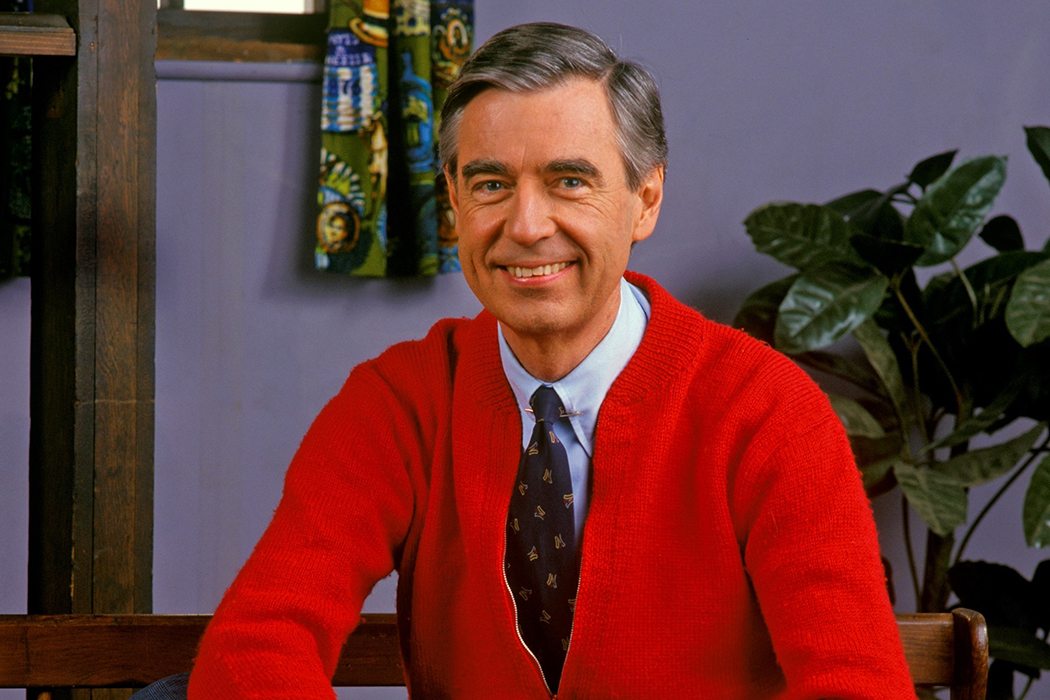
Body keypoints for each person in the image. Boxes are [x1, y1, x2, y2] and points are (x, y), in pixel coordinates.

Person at [140, 22, 917, 700]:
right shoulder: (398, 401)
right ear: (453, 202)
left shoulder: (767, 411)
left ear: (645, 200)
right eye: (491, 184)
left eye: (569, 181)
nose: (526, 225)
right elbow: (261, 639)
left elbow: (858, 685)